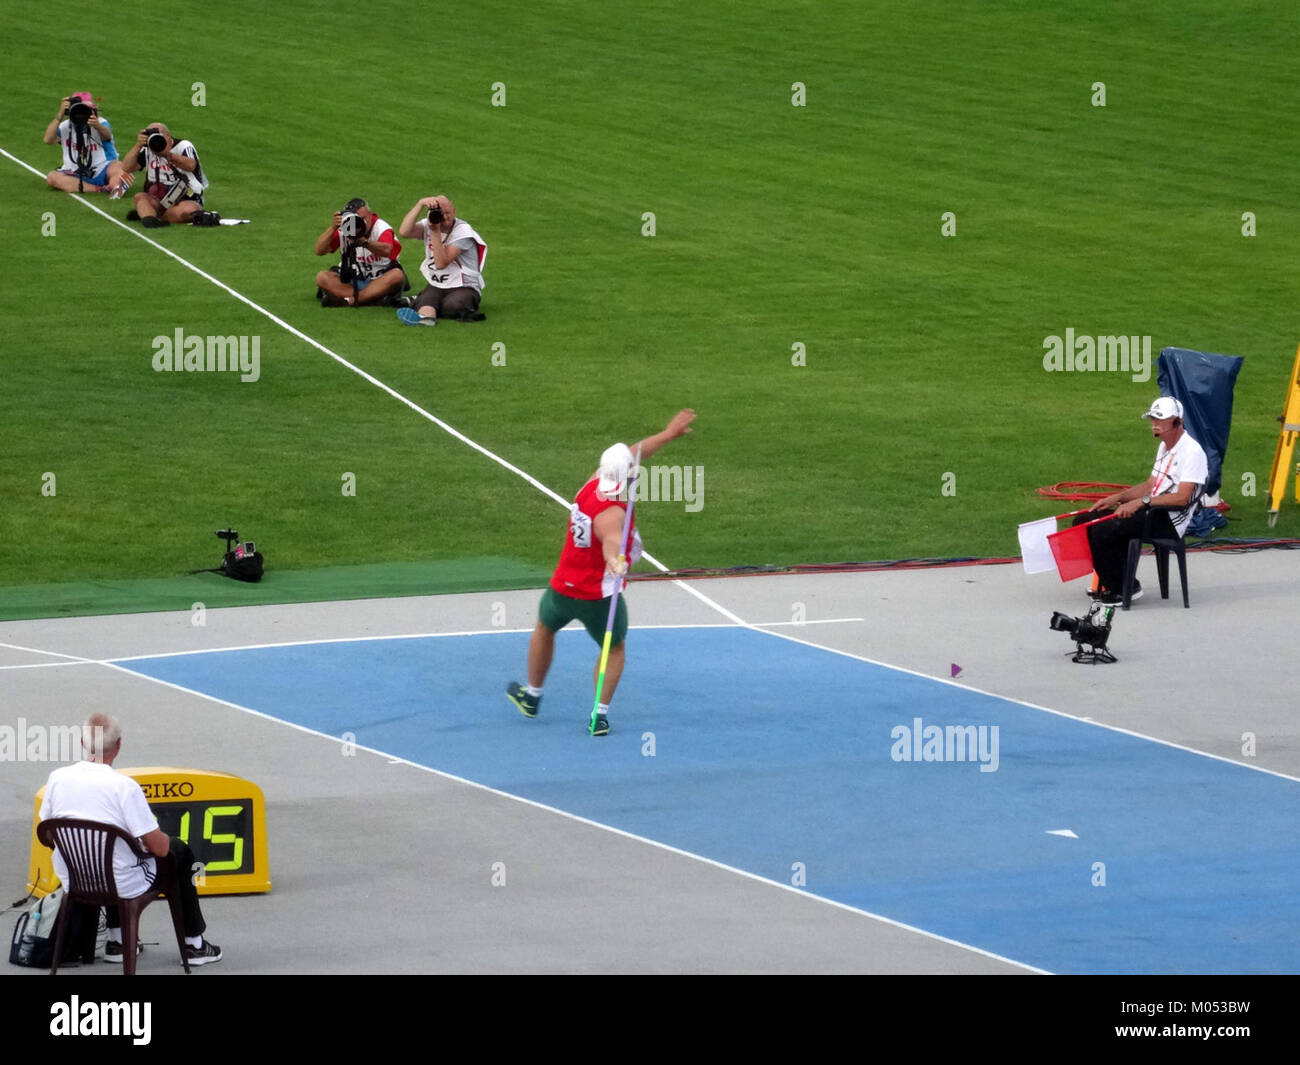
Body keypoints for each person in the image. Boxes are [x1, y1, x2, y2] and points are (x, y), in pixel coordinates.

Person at [507, 409, 696, 735]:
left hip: (562, 588)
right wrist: (614, 561)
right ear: (627, 476)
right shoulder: (613, 514)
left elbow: (634, 453)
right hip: (598, 597)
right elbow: (610, 539)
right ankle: (600, 715)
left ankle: (532, 696)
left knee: (544, 627)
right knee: (615, 649)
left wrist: (667, 434)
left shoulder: (594, 481)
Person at [38, 713, 223, 966]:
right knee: (177, 851)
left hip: (74, 877)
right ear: (119, 745)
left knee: (117, 852)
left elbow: (46, 832)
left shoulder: (56, 779)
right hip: (122, 882)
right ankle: (195, 944)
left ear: (82, 742)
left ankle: (119, 941)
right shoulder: (124, 787)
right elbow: (159, 848)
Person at [1074, 396, 1208, 606]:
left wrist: (1140, 503)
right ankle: (1113, 581)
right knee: (1084, 520)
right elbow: (1150, 485)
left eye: (1160, 420)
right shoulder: (1164, 447)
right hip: (1151, 511)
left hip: (1169, 520)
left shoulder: (1193, 452)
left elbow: (1182, 498)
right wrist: (1116, 498)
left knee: (1104, 529)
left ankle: (1124, 589)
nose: (1154, 424)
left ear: (1177, 422)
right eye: (1152, 419)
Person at [395, 195, 486, 325]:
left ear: (454, 211)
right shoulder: (430, 224)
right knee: (427, 302)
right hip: (439, 284)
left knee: (452, 306)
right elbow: (404, 232)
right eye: (441, 214)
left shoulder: (463, 232)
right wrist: (420, 204)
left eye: (448, 213)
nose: (446, 217)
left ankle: (420, 303)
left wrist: (435, 231)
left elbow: (441, 263)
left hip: (464, 285)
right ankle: (426, 319)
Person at [119, 122, 218, 227]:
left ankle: (149, 215)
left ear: (167, 135)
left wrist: (168, 155)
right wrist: (138, 145)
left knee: (189, 209)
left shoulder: (183, 145)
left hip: (186, 196)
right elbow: (126, 167)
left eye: (158, 136)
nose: (156, 140)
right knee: (140, 197)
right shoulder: (148, 148)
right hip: (158, 197)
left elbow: (191, 165)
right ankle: (150, 218)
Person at [314, 197, 408, 307]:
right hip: (352, 281)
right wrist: (333, 227)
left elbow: (387, 250)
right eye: (358, 219)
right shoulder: (346, 228)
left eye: (364, 218)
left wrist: (365, 243)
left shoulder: (381, 228)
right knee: (322, 277)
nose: (363, 222)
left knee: (397, 275)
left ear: (371, 215)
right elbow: (319, 250)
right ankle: (371, 299)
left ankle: (349, 301)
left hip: (379, 281)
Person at [43, 91, 130, 195]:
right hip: (74, 172)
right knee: (52, 177)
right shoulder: (65, 126)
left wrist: (96, 125)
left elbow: (107, 136)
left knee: (120, 167)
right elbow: (48, 140)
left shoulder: (101, 122)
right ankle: (100, 189)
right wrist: (60, 115)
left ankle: (115, 187)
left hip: (103, 168)